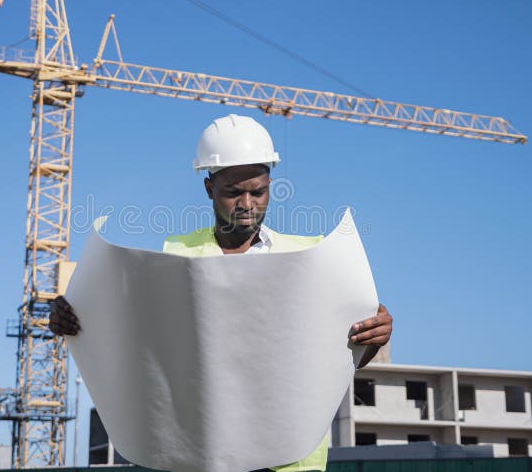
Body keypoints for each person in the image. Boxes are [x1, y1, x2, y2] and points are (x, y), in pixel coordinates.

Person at [50, 114, 393, 472]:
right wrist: (79, 320)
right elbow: (143, 348)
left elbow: (331, 365)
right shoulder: (177, 255)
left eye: (258, 191)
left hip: (290, 462)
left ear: (271, 186)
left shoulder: (309, 257)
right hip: (200, 457)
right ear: (209, 189)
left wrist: (370, 339)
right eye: (232, 192)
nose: (247, 203)